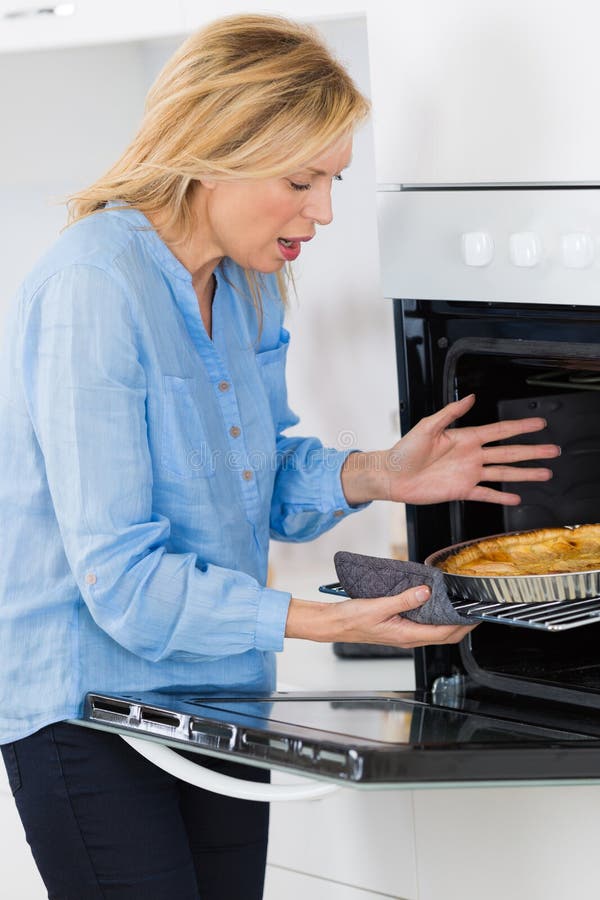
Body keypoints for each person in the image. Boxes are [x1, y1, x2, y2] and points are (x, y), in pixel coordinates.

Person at [0, 13, 559, 900]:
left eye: (333, 180)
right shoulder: (92, 287)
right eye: (301, 180)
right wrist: (332, 622)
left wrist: (381, 473)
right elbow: (121, 581)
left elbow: (252, 477)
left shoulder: (247, 285)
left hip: (220, 685)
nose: (324, 211)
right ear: (214, 150)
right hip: (88, 708)